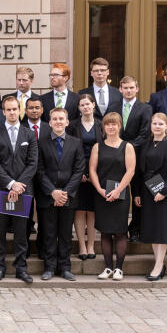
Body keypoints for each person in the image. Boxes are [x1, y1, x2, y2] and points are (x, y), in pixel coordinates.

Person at [0, 95, 39, 283]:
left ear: (19, 110)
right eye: (8, 109)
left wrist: (18, 185)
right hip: (0, 190)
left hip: (23, 191)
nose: (12, 112)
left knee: (21, 232)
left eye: (15, 109)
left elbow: (32, 163)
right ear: (3, 111)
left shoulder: (28, 134)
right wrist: (10, 184)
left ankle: (21, 268)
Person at [34, 107, 85, 281]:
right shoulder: (41, 142)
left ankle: (65, 267)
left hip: (68, 196)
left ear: (67, 122)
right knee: (48, 233)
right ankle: (49, 267)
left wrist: (65, 193)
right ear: (50, 122)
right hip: (47, 195)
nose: (58, 122)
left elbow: (78, 170)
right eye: (54, 119)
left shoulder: (76, 143)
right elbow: (39, 170)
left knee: (65, 233)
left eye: (61, 119)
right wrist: (52, 192)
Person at [132, 113, 167, 280]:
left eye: (161, 124)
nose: (157, 126)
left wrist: (164, 192)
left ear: (166, 126)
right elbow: (139, 171)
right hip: (148, 191)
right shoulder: (145, 144)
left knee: (162, 229)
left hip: (165, 192)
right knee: (153, 229)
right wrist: (137, 193)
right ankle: (158, 263)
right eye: (155, 123)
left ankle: (159, 265)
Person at [89, 112, 134, 281]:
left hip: (120, 195)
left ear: (119, 126)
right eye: (107, 124)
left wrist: (118, 190)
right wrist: (99, 189)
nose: (110, 127)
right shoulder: (97, 147)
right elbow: (92, 169)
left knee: (121, 232)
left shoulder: (127, 146)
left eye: (114, 124)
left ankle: (119, 269)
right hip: (102, 194)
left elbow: (130, 171)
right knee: (105, 232)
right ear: (104, 127)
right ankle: (108, 267)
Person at [71, 95, 101, 261]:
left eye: (88, 104)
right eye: (82, 105)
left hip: (97, 172)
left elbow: (105, 149)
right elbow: (70, 151)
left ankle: (91, 245)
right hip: (78, 173)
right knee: (80, 210)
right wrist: (79, 173)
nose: (85, 107)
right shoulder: (72, 126)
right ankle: (82, 246)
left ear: (93, 105)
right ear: (79, 108)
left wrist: (95, 174)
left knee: (93, 210)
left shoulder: (101, 125)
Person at [118, 76, 152, 148]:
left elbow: (145, 134)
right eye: (125, 88)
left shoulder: (145, 109)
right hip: (115, 150)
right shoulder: (113, 107)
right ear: (120, 89)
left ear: (137, 89)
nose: (129, 91)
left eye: (131, 88)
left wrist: (126, 147)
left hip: (137, 150)